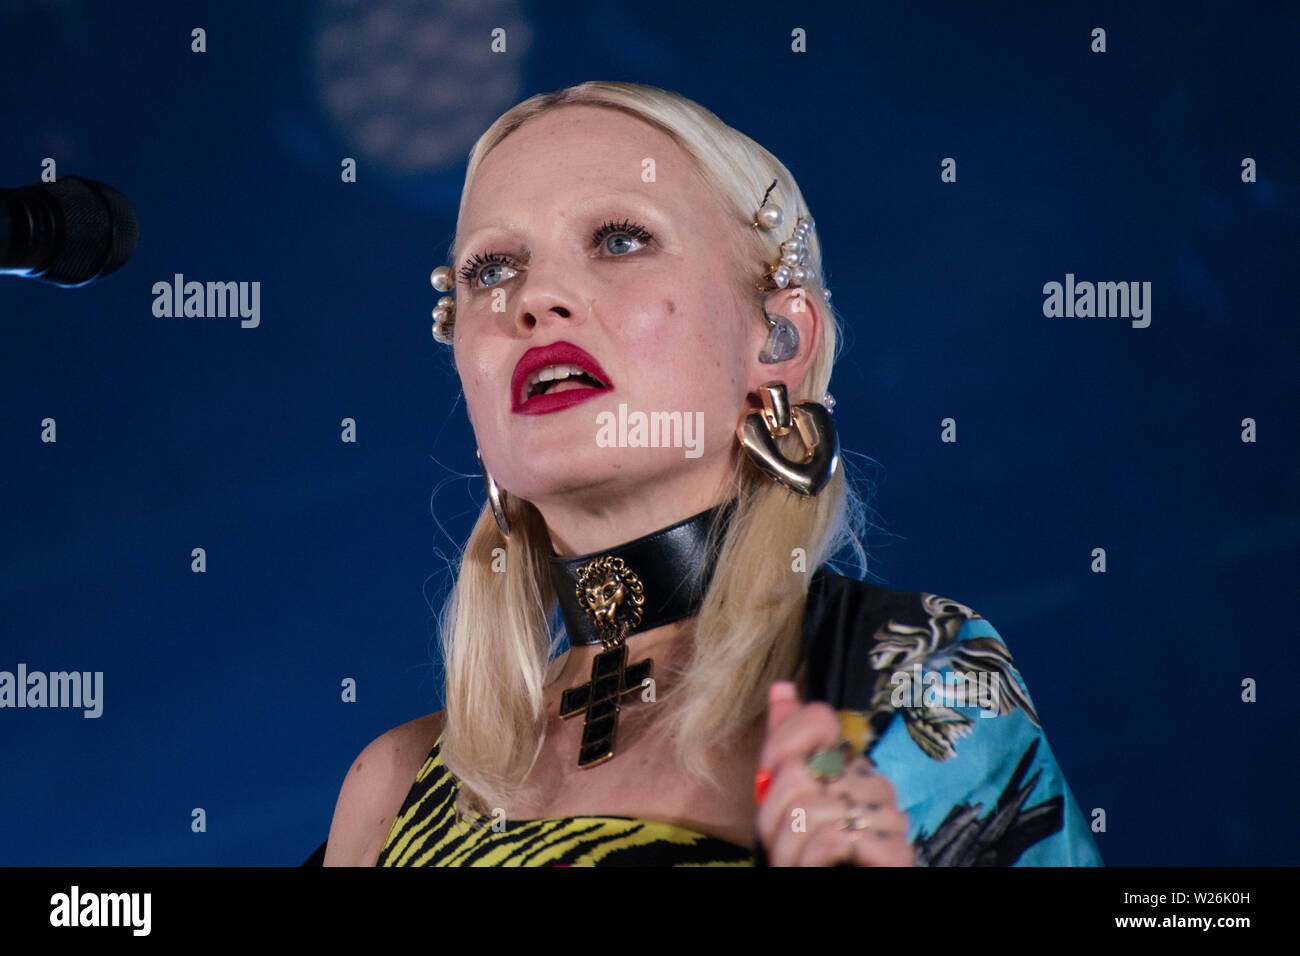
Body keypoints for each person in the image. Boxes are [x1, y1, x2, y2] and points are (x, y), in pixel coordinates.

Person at [307, 81, 1102, 867]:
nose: (535, 298)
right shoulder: (395, 789)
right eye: (490, 270)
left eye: (620, 239)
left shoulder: (902, 674)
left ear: (778, 341)